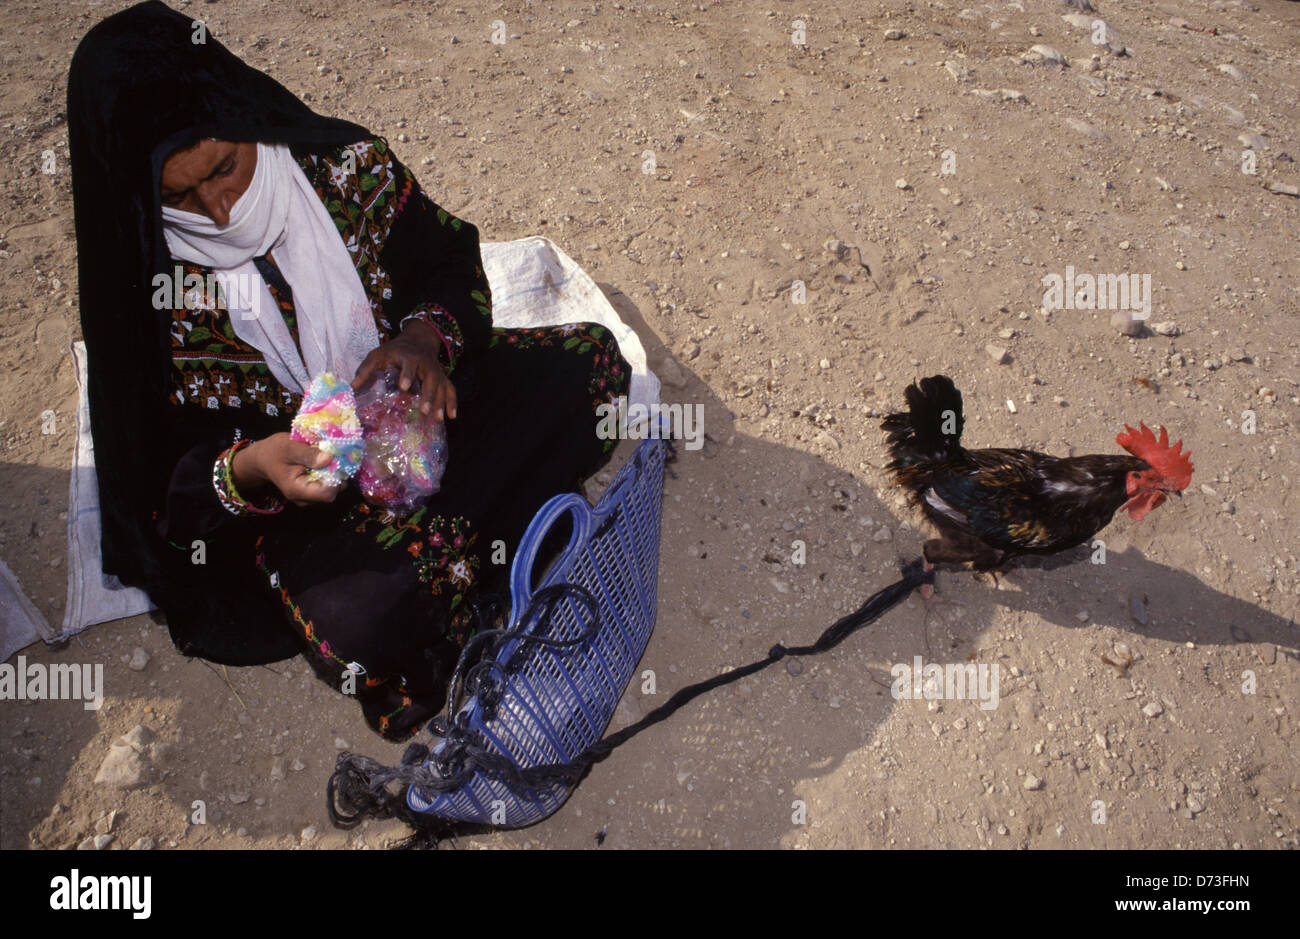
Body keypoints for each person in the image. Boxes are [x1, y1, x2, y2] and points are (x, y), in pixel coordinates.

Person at [68, 0, 631, 740]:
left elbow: (446, 261)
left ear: (243, 113)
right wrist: (256, 466)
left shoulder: (344, 167)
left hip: (419, 417)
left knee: (592, 368)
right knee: (356, 625)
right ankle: (483, 545)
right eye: (177, 196)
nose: (218, 206)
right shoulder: (145, 292)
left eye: (226, 168)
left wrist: (424, 341)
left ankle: (452, 572)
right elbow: (162, 491)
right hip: (309, 510)